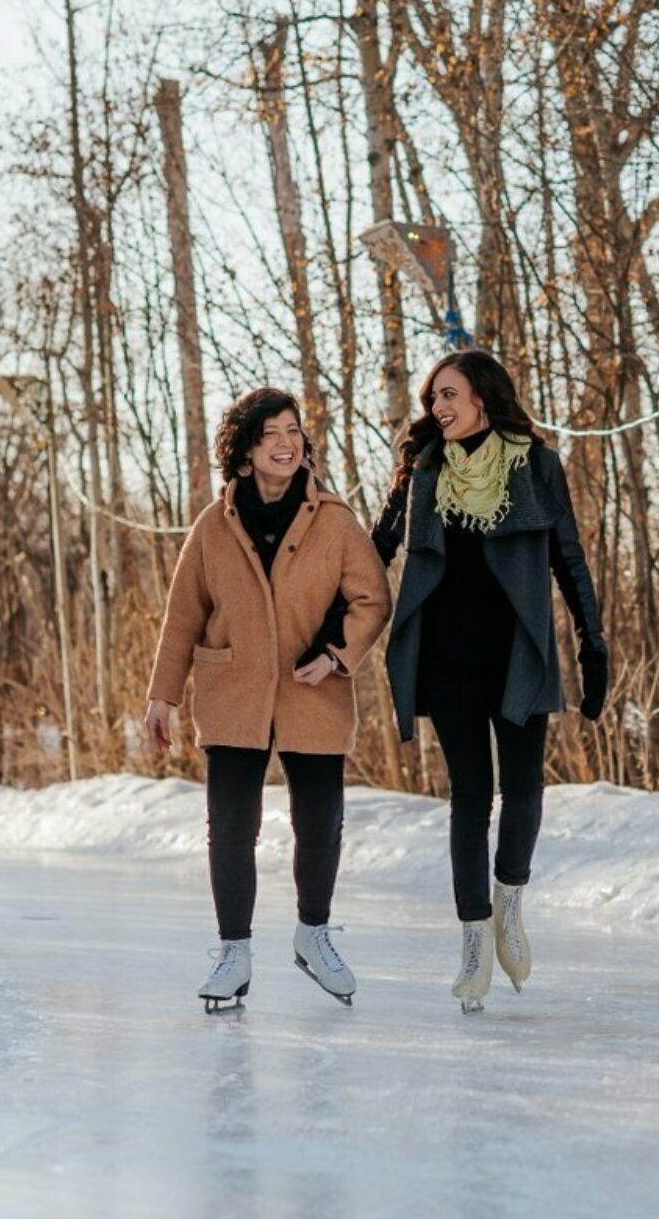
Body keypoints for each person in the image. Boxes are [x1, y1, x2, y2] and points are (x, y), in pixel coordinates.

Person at [373, 349, 608, 1013]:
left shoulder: (534, 464)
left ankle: (509, 902)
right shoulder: (424, 471)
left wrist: (594, 643)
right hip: (447, 658)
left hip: (517, 652)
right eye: (432, 400)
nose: (438, 408)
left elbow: (569, 557)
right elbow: (374, 552)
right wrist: (334, 626)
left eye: (448, 394)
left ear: (482, 395)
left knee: (525, 788)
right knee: (470, 796)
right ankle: (474, 939)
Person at [144, 388, 390, 1011]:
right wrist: (161, 697)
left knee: (320, 824)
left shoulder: (334, 519)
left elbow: (372, 599)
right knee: (229, 827)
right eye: (271, 434)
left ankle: (314, 935)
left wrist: (336, 655)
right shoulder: (212, 525)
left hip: (314, 689)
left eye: (294, 431)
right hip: (233, 690)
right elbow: (182, 617)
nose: (287, 443)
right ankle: (233, 954)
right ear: (246, 452)